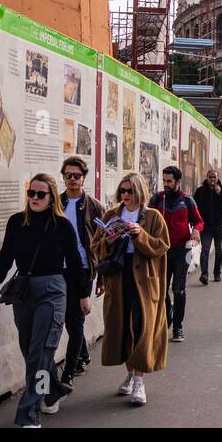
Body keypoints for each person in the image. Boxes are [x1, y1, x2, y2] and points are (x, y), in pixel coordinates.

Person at [0, 174, 86, 427]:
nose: (34, 198)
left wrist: (83, 295)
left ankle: (28, 414)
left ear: (51, 196)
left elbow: (76, 263)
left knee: (41, 352)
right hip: (24, 291)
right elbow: (5, 257)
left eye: (41, 194)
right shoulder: (16, 222)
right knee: (32, 352)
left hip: (53, 291)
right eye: (31, 193)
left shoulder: (62, 225)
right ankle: (52, 391)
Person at [91, 172, 170, 407]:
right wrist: (111, 238)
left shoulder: (153, 217)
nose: (125, 195)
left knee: (141, 326)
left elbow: (161, 246)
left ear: (140, 192)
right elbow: (96, 246)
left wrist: (139, 234)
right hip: (119, 279)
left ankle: (139, 381)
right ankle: (131, 373)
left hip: (144, 282)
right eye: (122, 191)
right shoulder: (111, 215)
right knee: (122, 328)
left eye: (130, 191)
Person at [57, 155, 101, 387]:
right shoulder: (56, 202)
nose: (72, 180)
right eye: (68, 176)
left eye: (76, 176)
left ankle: (68, 376)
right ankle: (82, 356)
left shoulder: (93, 206)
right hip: (58, 269)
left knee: (76, 321)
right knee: (68, 320)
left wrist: (101, 275)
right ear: (63, 178)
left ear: (83, 178)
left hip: (82, 269)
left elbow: (104, 243)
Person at [150, 165, 202, 342]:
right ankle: (168, 315)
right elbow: (146, 219)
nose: (165, 184)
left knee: (178, 290)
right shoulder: (157, 199)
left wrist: (196, 231)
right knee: (162, 291)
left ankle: (178, 327)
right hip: (161, 251)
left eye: (169, 181)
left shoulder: (187, 200)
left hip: (183, 251)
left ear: (178, 182)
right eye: (164, 181)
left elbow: (199, 221)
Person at [194, 167, 222, 284]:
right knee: (205, 250)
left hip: (219, 225)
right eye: (210, 177)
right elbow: (194, 207)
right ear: (207, 178)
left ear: (217, 178)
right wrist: (196, 223)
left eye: (214, 177)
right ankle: (204, 274)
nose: (212, 179)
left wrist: (220, 193)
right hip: (206, 226)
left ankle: (217, 273)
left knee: (219, 250)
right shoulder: (200, 191)